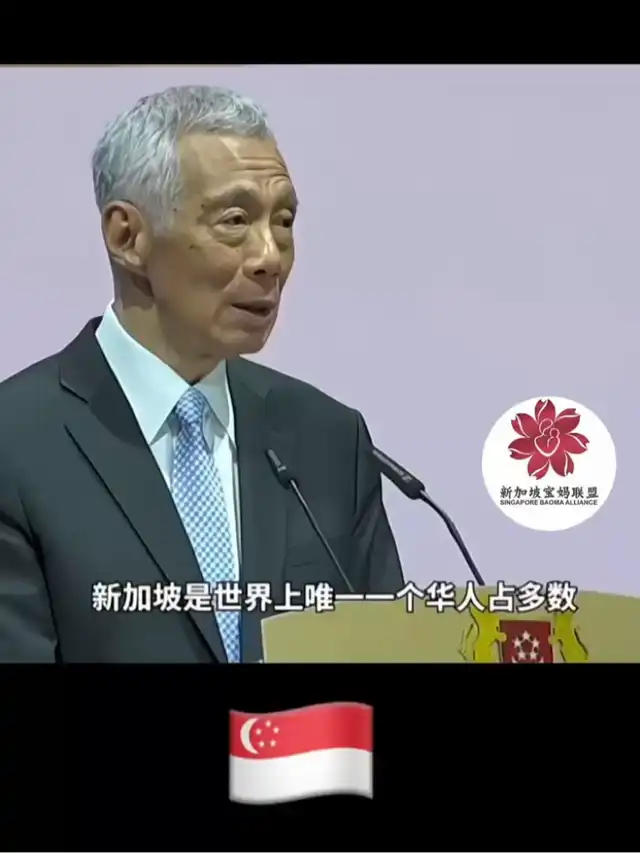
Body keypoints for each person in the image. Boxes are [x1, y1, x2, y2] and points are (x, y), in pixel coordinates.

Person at [0, 85, 404, 663]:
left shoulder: (329, 440)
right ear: (127, 237)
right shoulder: (15, 443)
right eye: (235, 220)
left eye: (283, 220)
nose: (270, 256)